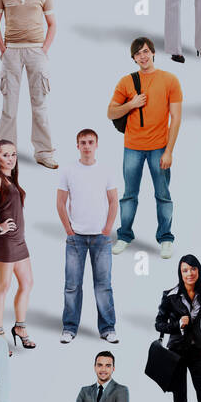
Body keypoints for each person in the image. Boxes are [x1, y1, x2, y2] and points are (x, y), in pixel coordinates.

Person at [107, 36, 182, 259]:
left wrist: (169, 150)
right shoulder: (126, 82)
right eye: (138, 53)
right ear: (134, 58)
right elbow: (110, 112)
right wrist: (131, 104)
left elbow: (176, 118)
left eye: (146, 51)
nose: (143, 56)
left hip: (159, 147)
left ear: (153, 53)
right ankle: (124, 236)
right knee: (129, 195)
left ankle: (166, 238)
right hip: (132, 147)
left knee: (163, 195)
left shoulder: (170, 80)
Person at [0, 0, 57, 169]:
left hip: (36, 52)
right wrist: (3, 49)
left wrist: (44, 49)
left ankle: (44, 152)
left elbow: (52, 24)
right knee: (9, 105)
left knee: (40, 103)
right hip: (12, 52)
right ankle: (6, 153)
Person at [57, 129, 119, 344]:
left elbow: (113, 201)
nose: (86, 146)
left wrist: (107, 228)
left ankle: (108, 328)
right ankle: (69, 328)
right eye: (82, 142)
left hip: (101, 238)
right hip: (76, 238)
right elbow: (60, 202)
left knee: (103, 285)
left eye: (90, 142)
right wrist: (68, 229)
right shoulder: (68, 171)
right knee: (72, 285)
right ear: (77, 145)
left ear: (97, 144)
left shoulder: (106, 170)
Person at [0, 141, 34, 349]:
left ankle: (19, 327)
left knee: (27, 283)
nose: (11, 158)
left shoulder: (11, 178)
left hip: (20, 240)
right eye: (5, 155)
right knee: (3, 286)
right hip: (6, 241)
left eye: (13, 154)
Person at [155, 254, 201, 402]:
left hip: (198, 351)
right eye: (185, 270)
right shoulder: (170, 295)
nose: (190, 273)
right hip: (176, 353)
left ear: (198, 270)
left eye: (193, 269)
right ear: (180, 273)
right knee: (180, 400)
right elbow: (158, 324)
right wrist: (178, 324)